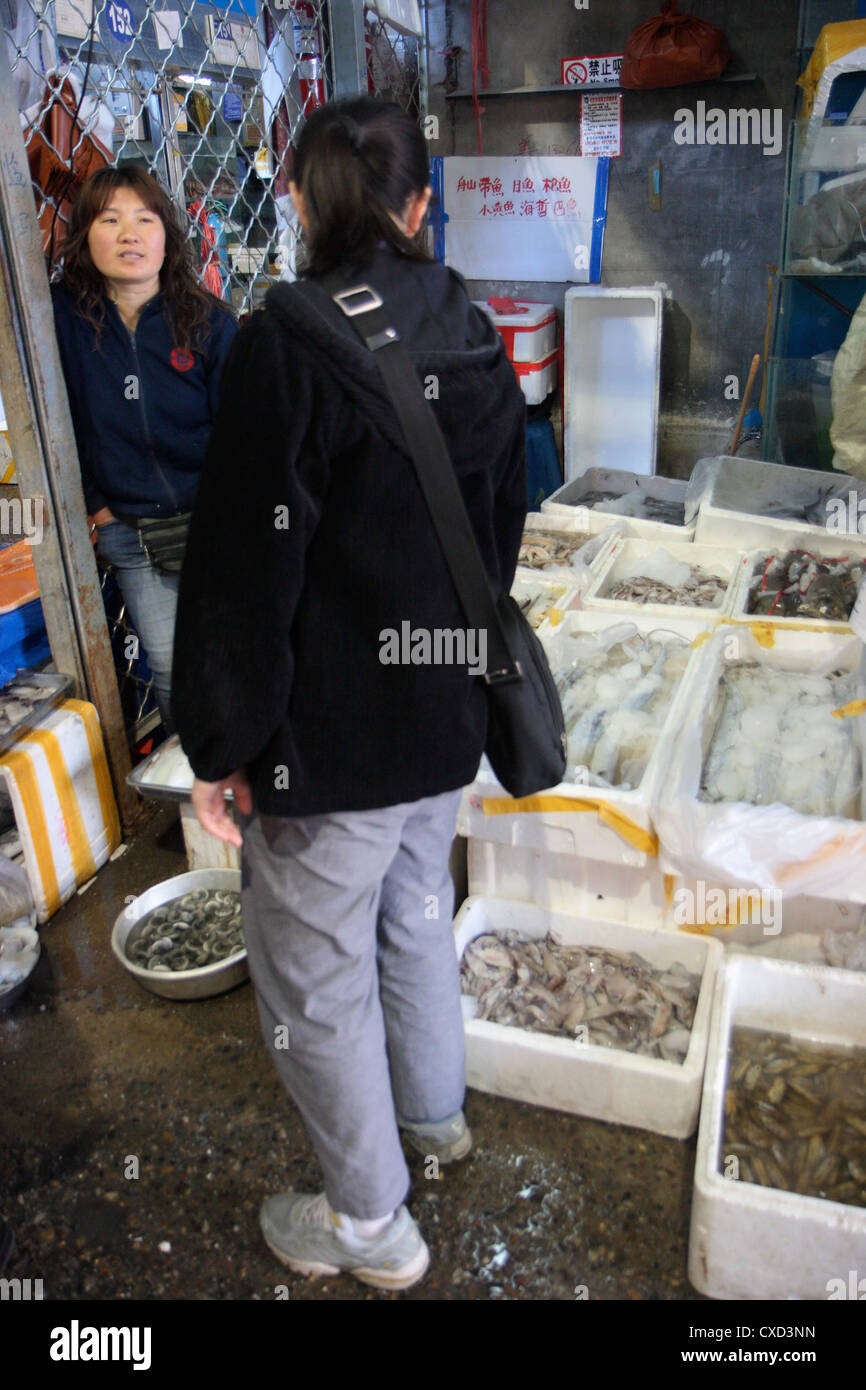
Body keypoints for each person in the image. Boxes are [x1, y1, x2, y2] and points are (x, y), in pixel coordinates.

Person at [172, 97, 527, 1291]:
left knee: (314, 975)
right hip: (442, 719)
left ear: (303, 206)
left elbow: (243, 570)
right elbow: (500, 524)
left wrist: (220, 742)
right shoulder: (474, 326)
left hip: (330, 746)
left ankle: (371, 1224)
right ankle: (432, 1117)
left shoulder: (289, 343)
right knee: (415, 911)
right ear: (420, 204)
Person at [52, 164, 237, 729]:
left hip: (218, 523)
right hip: (130, 529)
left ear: (166, 237)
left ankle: (260, 777)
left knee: (240, 652)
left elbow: (243, 428)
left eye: (144, 219)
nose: (129, 233)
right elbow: (60, 421)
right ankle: (200, 792)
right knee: (172, 668)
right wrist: (98, 505)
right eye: (110, 219)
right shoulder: (61, 319)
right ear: (86, 236)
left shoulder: (205, 319)